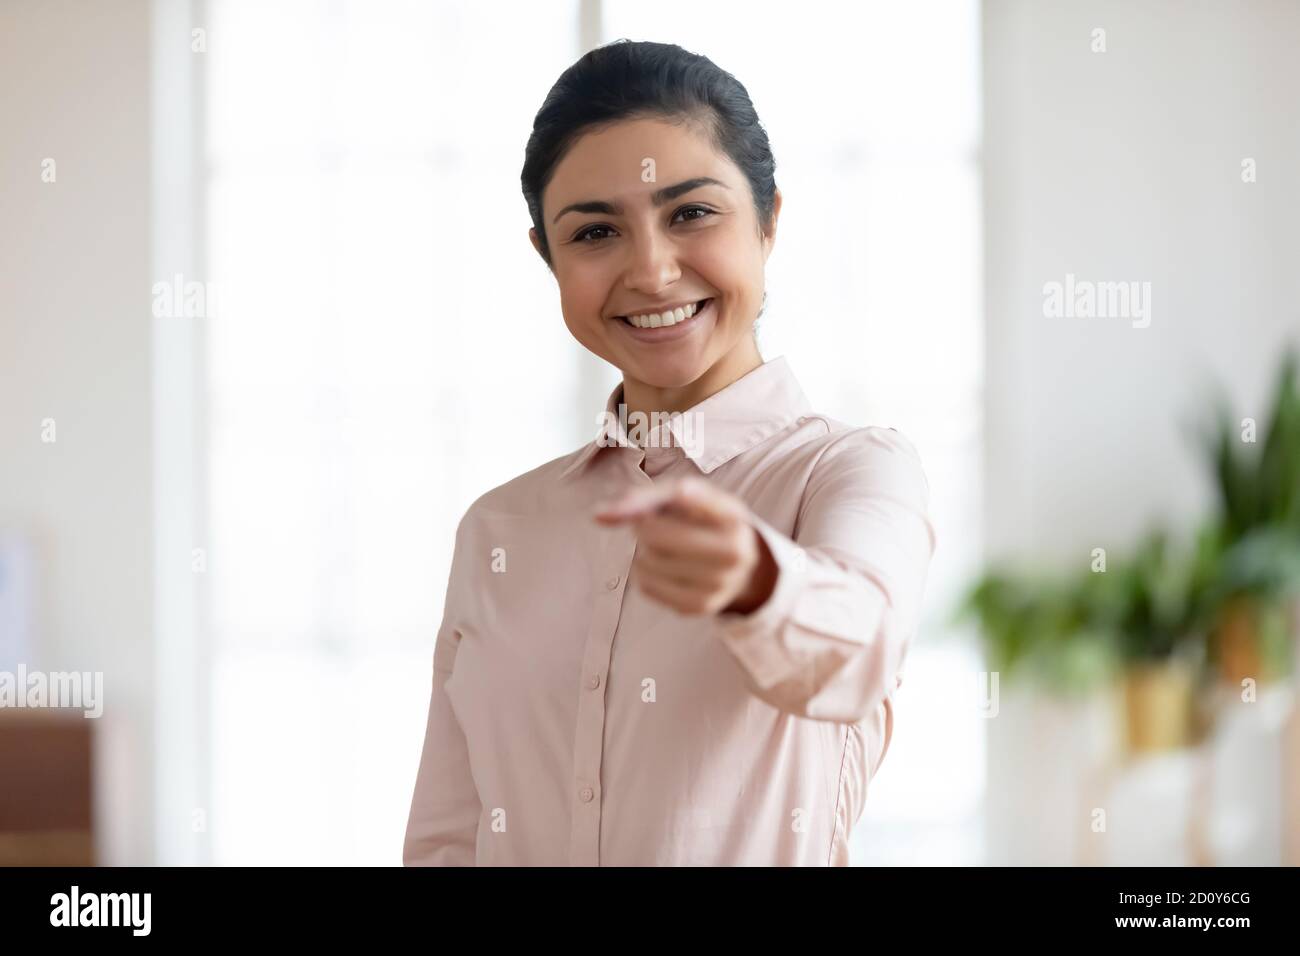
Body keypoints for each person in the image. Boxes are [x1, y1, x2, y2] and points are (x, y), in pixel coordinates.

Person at [403, 39, 937, 866]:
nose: (652, 272)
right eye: (594, 232)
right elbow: (446, 838)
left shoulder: (852, 470)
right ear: (548, 259)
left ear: (768, 222)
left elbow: (857, 651)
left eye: (691, 213)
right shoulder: (497, 529)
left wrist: (756, 582)